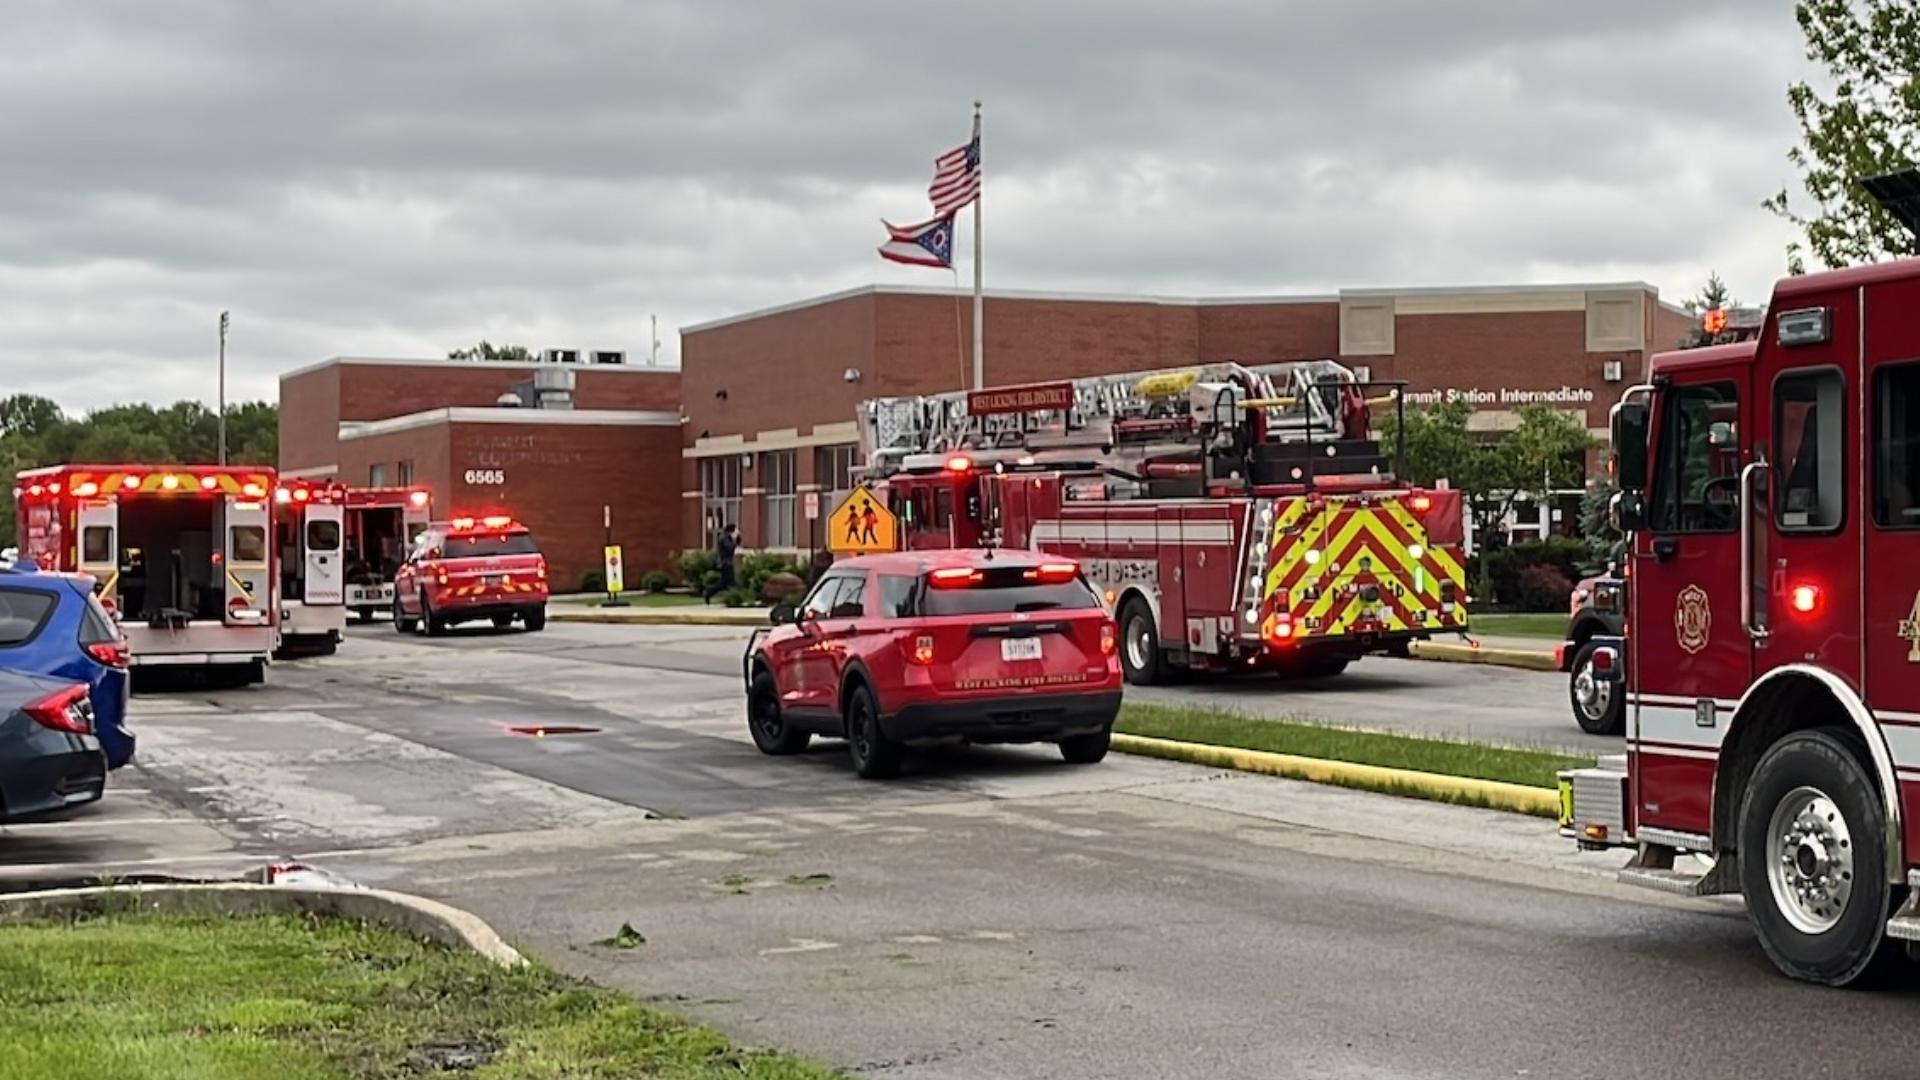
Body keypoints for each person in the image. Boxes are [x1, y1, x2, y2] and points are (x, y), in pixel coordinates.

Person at [705, 523, 739, 603]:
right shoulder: (723, 538)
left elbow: (736, 544)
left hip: (728, 563)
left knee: (723, 584)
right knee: (731, 583)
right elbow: (730, 548)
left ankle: (708, 593)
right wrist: (734, 539)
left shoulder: (727, 537)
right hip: (725, 563)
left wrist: (736, 539)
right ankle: (733, 598)